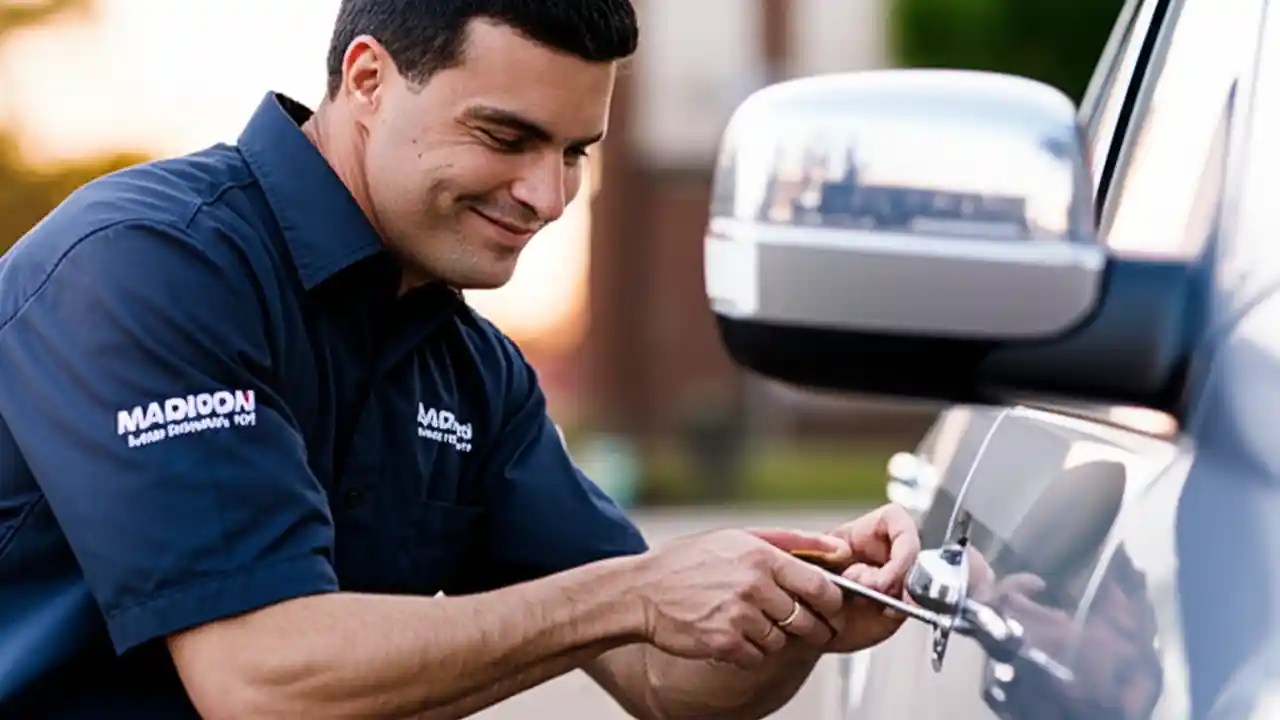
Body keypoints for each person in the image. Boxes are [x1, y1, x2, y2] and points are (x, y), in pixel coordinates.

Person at [0, 1, 920, 717]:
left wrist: (799, 610)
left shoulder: (475, 371)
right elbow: (262, 682)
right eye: (507, 137)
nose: (548, 195)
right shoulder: (146, 267)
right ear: (368, 79)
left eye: (575, 152)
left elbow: (663, 682)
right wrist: (633, 589)